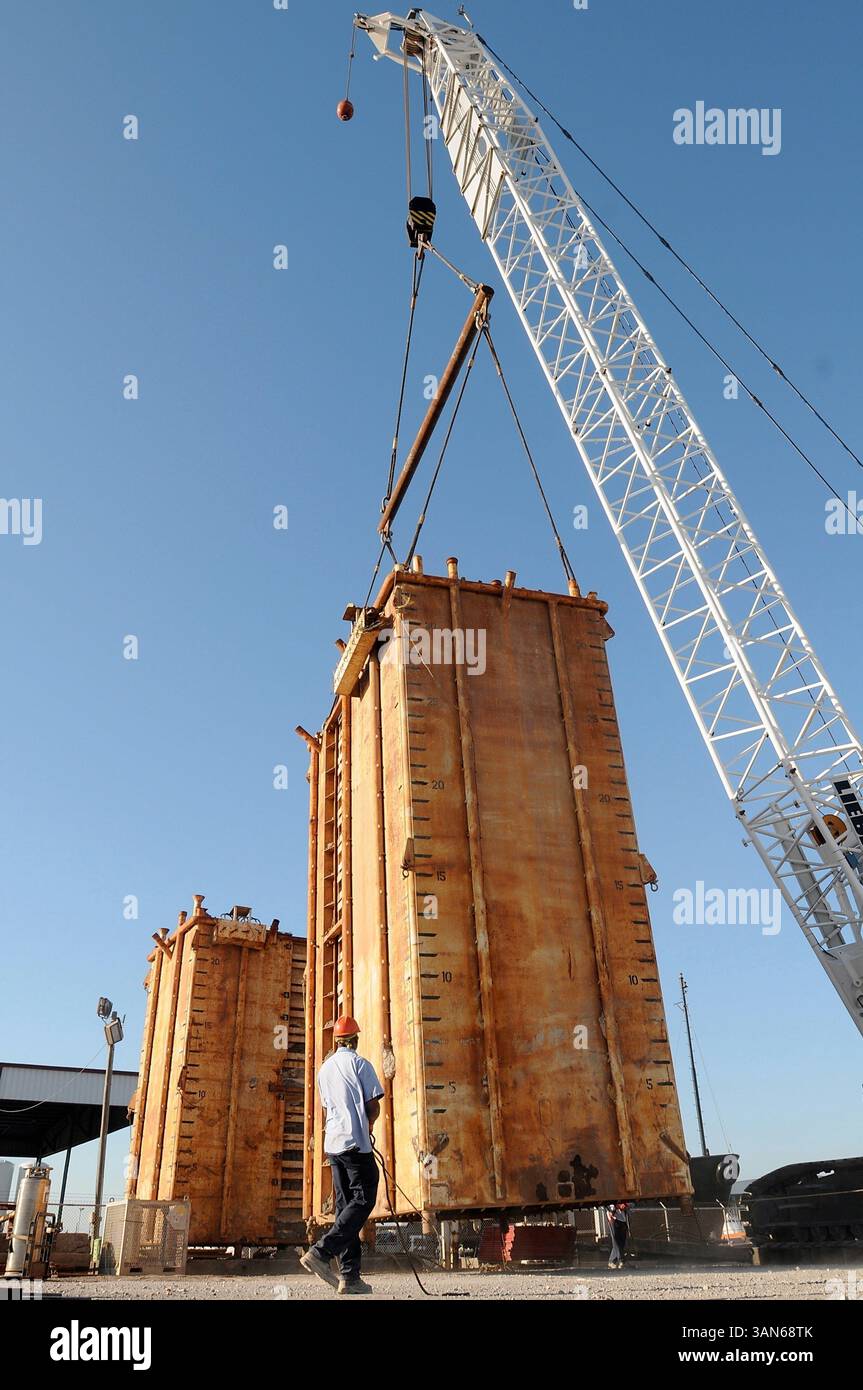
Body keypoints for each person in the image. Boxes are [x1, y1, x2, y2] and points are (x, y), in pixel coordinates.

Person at [300, 1015, 384, 1296]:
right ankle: (321, 1252)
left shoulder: (325, 1070)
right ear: (355, 1039)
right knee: (364, 1200)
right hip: (355, 1144)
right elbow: (373, 1106)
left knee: (346, 1207)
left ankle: (349, 1278)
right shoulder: (360, 1064)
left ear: (336, 1041)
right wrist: (368, 1125)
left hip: (333, 1146)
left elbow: (327, 1108)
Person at [606, 1200, 630, 1269]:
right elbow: (610, 1209)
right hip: (615, 1221)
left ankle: (613, 1261)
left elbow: (629, 1205)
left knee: (621, 1243)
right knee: (617, 1243)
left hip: (623, 1221)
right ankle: (621, 1260)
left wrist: (624, 1206)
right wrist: (617, 1207)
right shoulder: (611, 1204)